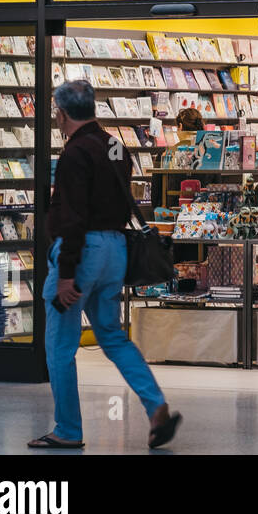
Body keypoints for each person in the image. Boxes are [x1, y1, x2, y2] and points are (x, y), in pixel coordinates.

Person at [32, 80, 181, 449]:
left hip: (82, 251)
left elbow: (73, 216)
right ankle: (155, 404)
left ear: (61, 113)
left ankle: (67, 430)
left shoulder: (74, 153)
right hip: (116, 249)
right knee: (112, 336)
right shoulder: (115, 144)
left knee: (60, 346)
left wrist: (66, 274)